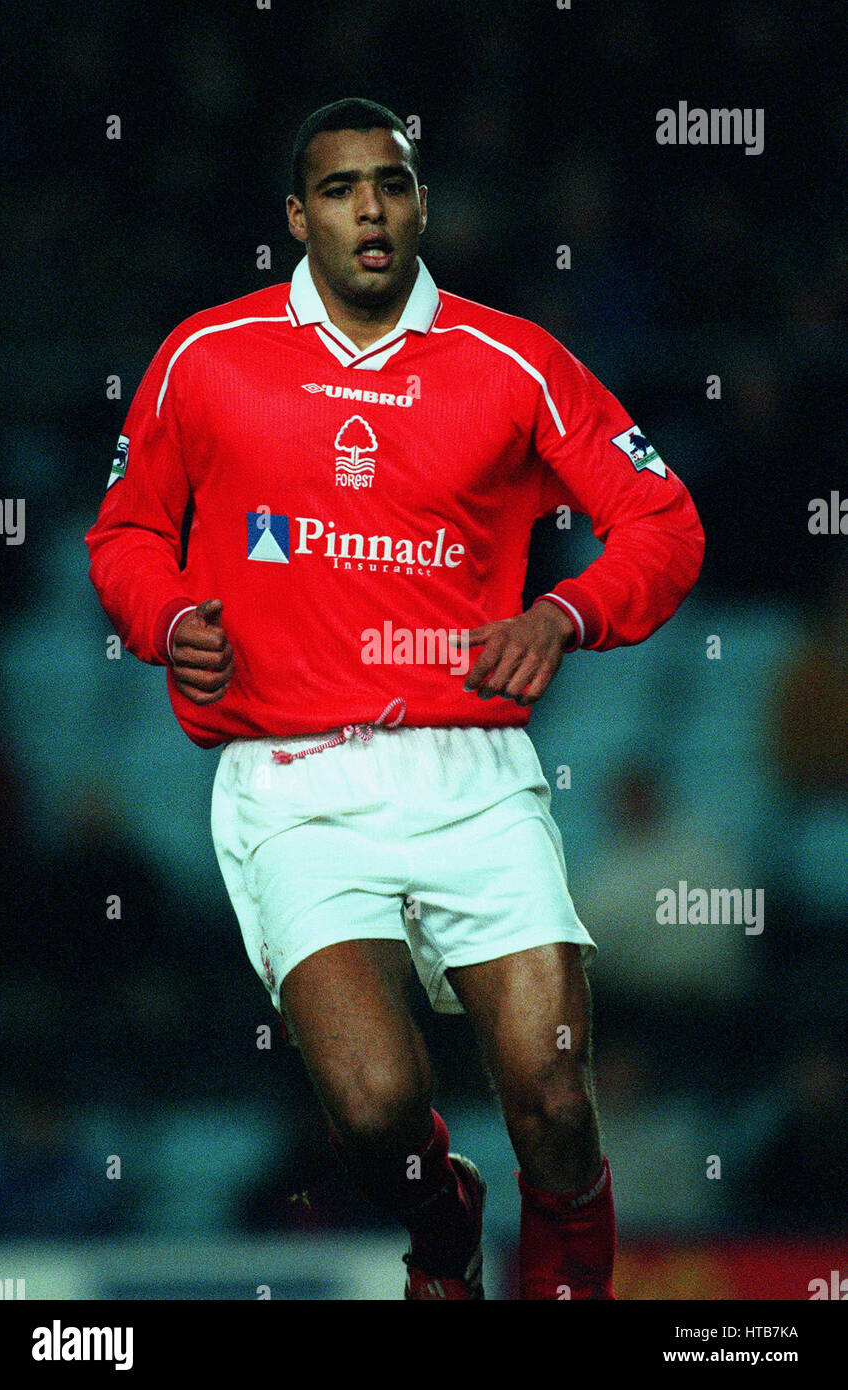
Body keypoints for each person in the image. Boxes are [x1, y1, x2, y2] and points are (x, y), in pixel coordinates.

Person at [85, 98, 705, 1300]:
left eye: (392, 183)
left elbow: (661, 519)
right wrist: (161, 621)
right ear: (294, 215)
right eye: (338, 187)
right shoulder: (204, 357)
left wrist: (562, 613)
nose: (369, 207)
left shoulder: (513, 358)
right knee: (374, 1110)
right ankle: (443, 1219)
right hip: (295, 780)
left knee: (555, 1098)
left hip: (469, 777)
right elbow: (126, 531)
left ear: (420, 203)